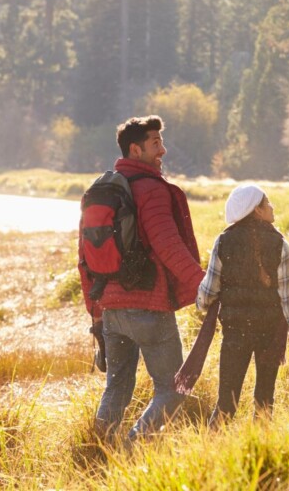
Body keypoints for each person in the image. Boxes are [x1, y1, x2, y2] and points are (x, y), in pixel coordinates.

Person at [78, 115, 205, 443]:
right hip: (148, 306)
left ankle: (101, 453)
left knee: (117, 388)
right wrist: (203, 282)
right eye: (155, 143)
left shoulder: (102, 191)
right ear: (135, 149)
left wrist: (95, 310)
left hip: (111, 310)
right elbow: (167, 244)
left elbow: (84, 259)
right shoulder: (150, 189)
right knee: (174, 388)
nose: (162, 150)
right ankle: (134, 447)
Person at [197, 184, 289, 426]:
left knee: (226, 403)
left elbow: (207, 295)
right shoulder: (280, 244)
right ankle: (260, 451)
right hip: (271, 334)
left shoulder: (223, 241)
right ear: (256, 210)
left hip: (235, 333)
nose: (272, 207)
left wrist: (203, 303)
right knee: (265, 401)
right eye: (267, 203)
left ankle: (213, 450)